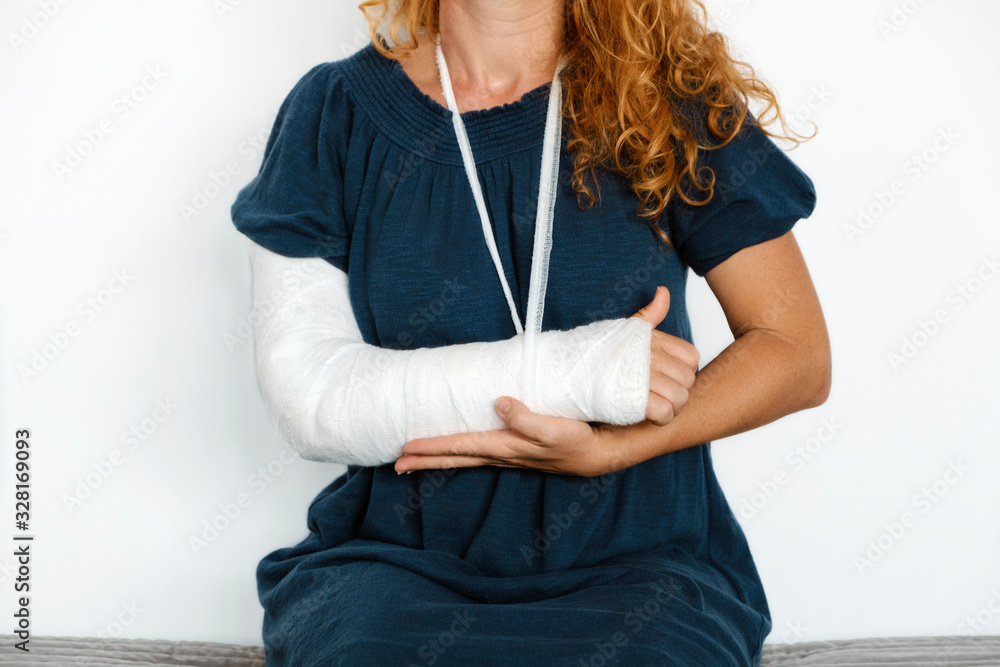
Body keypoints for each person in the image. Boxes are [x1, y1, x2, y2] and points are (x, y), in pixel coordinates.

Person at [230, 0, 831, 664]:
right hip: (394, 568)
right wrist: (576, 374)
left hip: (643, 567)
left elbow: (796, 352)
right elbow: (310, 395)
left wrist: (613, 450)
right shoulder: (333, 114)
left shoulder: (667, 98)